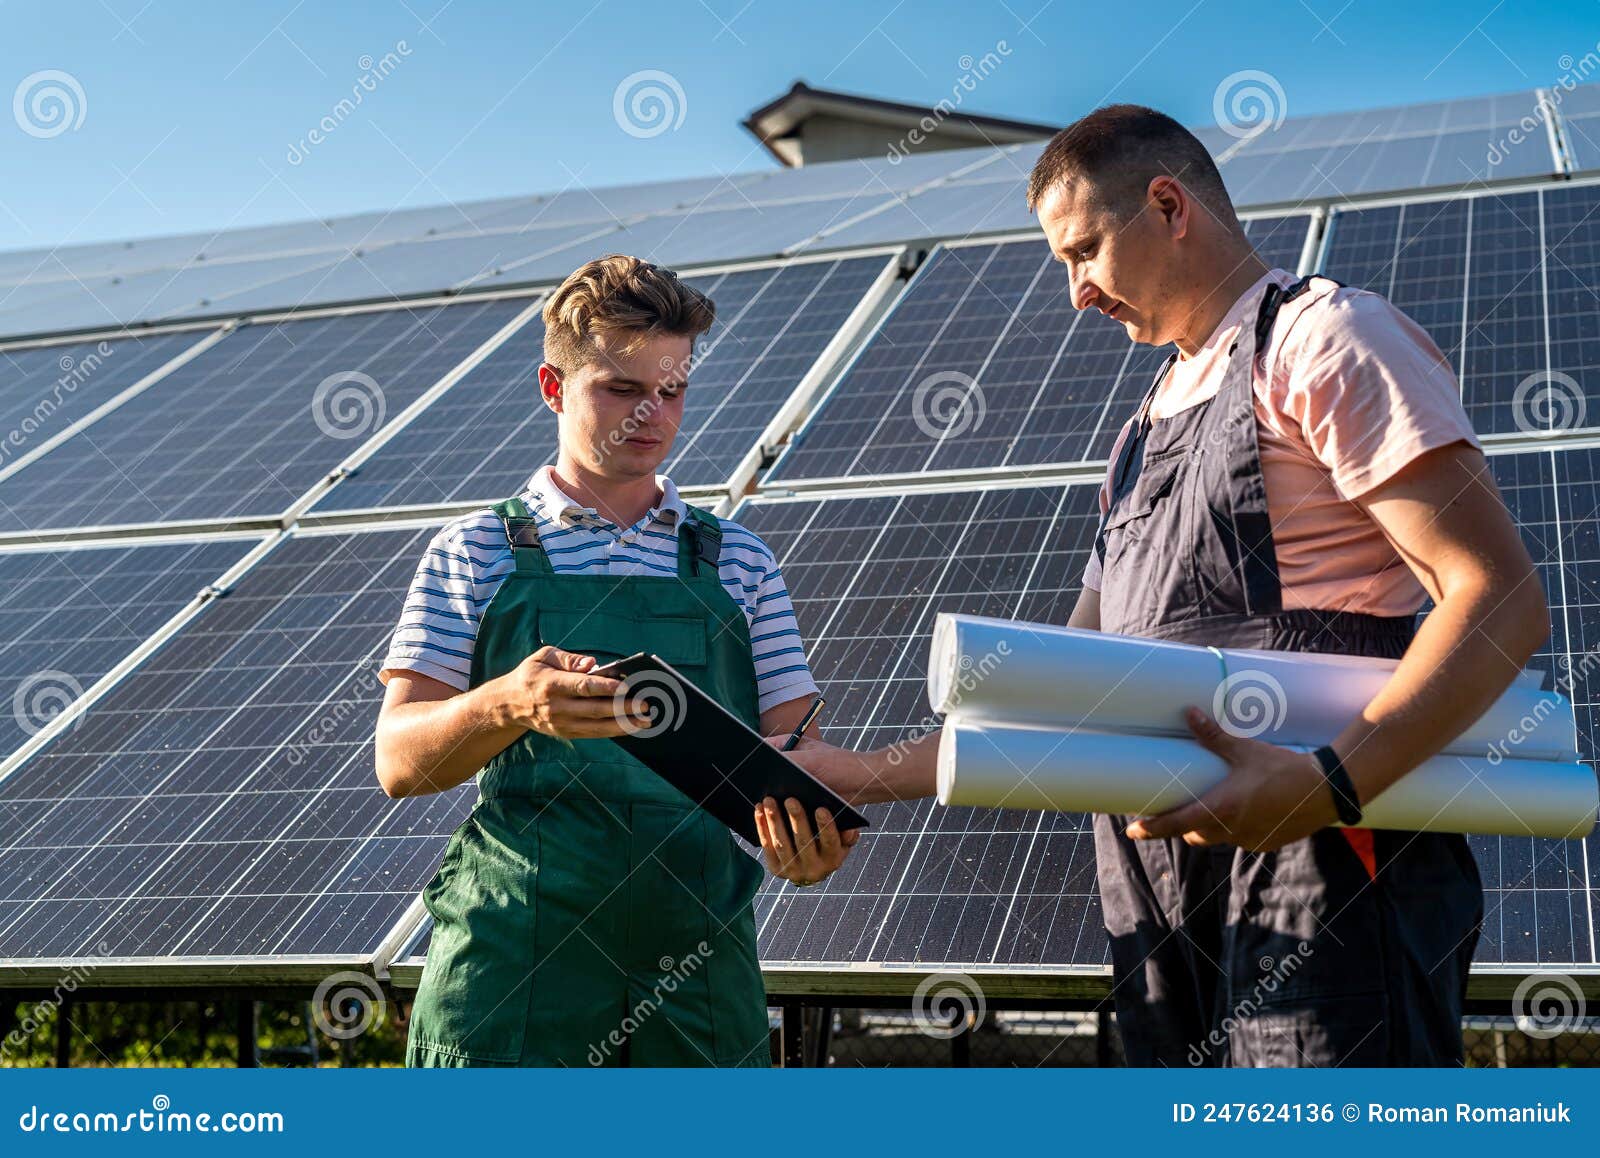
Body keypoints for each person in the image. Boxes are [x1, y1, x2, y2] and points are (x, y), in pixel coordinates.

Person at [780, 105, 1549, 1066]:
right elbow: (1064, 702)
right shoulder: (1138, 436)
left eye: (1086, 250)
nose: (1075, 294)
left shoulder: (1325, 341)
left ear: (1169, 205)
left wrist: (1328, 784)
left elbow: (1498, 599)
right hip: (1154, 879)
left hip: (1328, 860)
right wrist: (851, 776)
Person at [374, 254, 859, 1067]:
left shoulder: (740, 562)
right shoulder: (475, 551)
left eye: (672, 391)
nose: (653, 416)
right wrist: (503, 706)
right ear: (552, 386)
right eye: (622, 389)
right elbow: (398, 763)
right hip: (513, 960)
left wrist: (808, 842)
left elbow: (795, 759)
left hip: (696, 965)